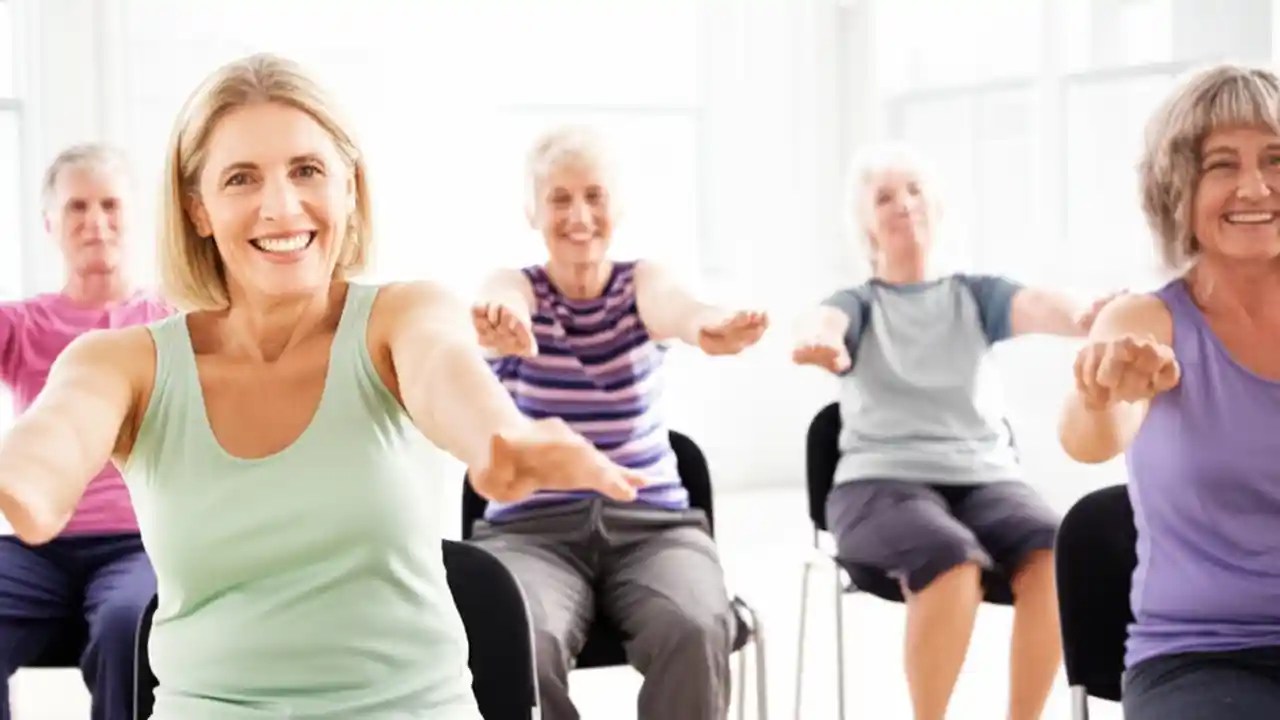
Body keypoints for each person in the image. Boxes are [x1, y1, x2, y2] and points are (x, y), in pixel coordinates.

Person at [0, 54, 648, 720]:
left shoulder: (405, 316)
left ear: (348, 187)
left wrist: (505, 442)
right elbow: (49, 447)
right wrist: (23, 481)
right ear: (198, 208)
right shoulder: (121, 363)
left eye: (307, 171)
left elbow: (450, 380)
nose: (280, 207)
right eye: (241, 178)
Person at [792, 142, 1116, 720]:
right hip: (880, 484)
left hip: (985, 479)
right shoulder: (861, 302)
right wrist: (820, 339)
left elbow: (1042, 305)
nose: (904, 204)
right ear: (865, 224)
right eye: (885, 196)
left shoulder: (975, 296)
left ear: (936, 207)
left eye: (914, 190)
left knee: (1054, 551)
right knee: (950, 559)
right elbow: (826, 321)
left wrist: (1091, 316)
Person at [468, 125, 768, 720]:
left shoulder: (641, 283)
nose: (579, 215)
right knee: (521, 641)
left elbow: (677, 308)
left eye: (594, 196)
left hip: (653, 527)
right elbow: (495, 305)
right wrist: (503, 326)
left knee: (694, 626)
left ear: (618, 206)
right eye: (559, 199)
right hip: (533, 530)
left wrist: (707, 324)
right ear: (533, 210)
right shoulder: (516, 287)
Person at [1060, 62, 1280, 720]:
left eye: (1275, 158)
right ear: (1177, 187)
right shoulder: (1144, 323)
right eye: (1222, 165)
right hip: (1201, 656)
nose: (1256, 186)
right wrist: (1103, 392)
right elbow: (1090, 436)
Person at [0, 144, 170, 720]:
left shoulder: (171, 318)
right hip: (34, 547)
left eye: (110, 205)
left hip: (134, 544)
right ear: (50, 224)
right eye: (77, 207)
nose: (96, 222)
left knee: (128, 624)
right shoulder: (21, 324)